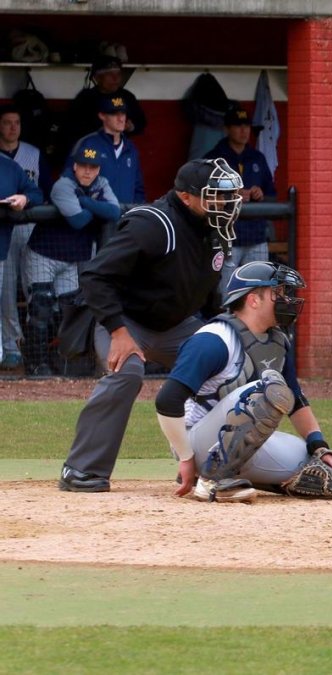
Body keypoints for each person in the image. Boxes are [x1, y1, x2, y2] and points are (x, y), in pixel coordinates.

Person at [58, 158, 243, 493]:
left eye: (227, 194)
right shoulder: (153, 224)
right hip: (124, 320)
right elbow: (95, 276)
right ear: (185, 197)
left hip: (177, 325)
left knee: (231, 367)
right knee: (127, 372)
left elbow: (210, 295)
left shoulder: (215, 228)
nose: (225, 202)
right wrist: (118, 331)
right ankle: (81, 469)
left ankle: (214, 463)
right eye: (215, 194)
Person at [154, 261, 332, 503]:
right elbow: (167, 400)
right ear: (253, 300)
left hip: (242, 445)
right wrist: (186, 457)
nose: (286, 300)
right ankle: (213, 480)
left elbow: (296, 401)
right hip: (196, 442)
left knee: (329, 475)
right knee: (267, 390)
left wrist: (318, 446)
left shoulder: (277, 342)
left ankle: (230, 475)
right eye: (278, 293)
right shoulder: (214, 340)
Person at [24, 140, 119, 376]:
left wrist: (85, 201)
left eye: (92, 167)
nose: (88, 171)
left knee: (68, 312)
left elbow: (114, 211)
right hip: (43, 255)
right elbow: (79, 221)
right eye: (83, 166)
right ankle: (36, 364)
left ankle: (62, 362)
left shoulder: (102, 183)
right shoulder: (63, 185)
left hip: (71, 259)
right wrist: (96, 207)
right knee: (41, 307)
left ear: (98, 169)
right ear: (74, 166)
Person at [204, 106, 278, 292]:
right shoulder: (214, 159)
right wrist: (231, 195)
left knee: (257, 292)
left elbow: (272, 195)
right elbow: (203, 197)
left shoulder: (257, 158)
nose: (244, 130)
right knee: (227, 294)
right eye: (238, 126)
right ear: (227, 129)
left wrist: (260, 194)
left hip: (256, 236)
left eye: (247, 126)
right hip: (227, 238)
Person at [0, 104, 51, 370]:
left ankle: (33, 345)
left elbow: (43, 192)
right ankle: (11, 346)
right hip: (4, 232)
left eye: (16, 123)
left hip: (28, 226)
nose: (12, 128)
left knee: (35, 287)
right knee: (6, 291)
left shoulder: (30, 155)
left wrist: (25, 198)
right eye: (7, 122)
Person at [70, 95, 146, 215]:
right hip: (96, 218)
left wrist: (135, 213)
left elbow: (138, 188)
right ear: (102, 115)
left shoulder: (130, 148)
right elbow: (70, 182)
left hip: (125, 218)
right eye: (115, 114)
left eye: (123, 113)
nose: (121, 119)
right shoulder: (88, 144)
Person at [63, 55, 148, 149]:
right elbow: (71, 128)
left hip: (118, 149)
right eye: (110, 74)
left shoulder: (127, 97)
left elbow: (140, 122)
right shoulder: (85, 98)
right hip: (91, 149)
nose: (115, 78)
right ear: (97, 77)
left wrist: (131, 127)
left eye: (118, 74)